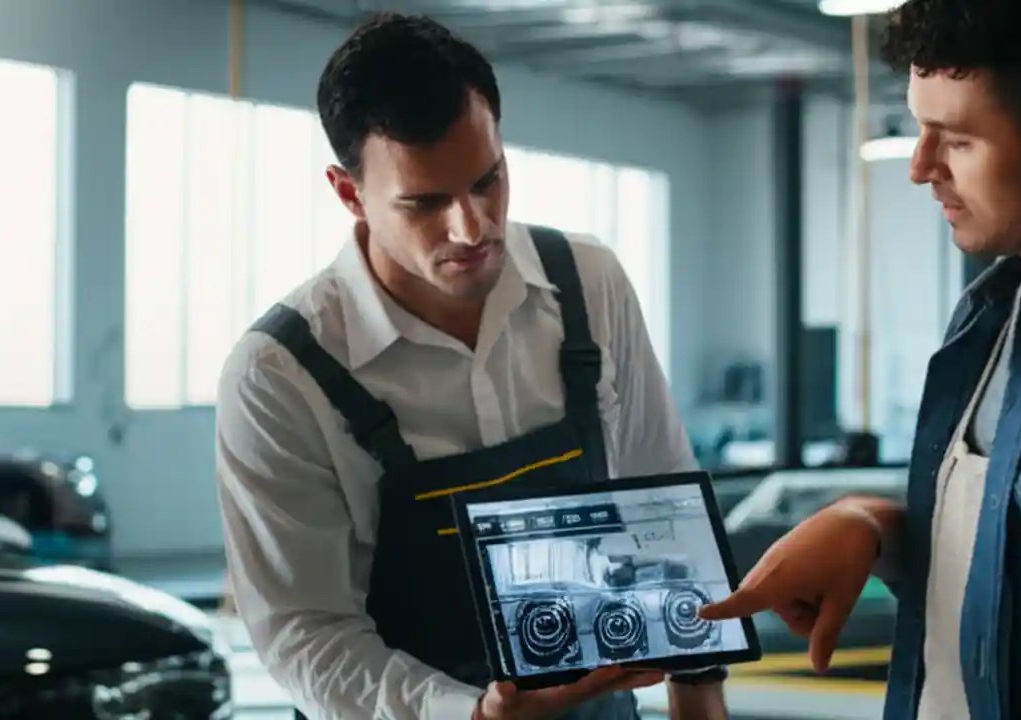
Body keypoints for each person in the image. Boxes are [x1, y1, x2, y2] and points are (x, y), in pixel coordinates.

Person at [216, 13, 729, 720]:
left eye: (487, 181)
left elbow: (662, 504)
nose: (472, 227)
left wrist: (697, 692)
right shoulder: (278, 376)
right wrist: (469, 715)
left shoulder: (588, 284)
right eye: (425, 203)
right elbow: (307, 635)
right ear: (348, 193)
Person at [700, 1, 1021, 719]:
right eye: (919, 129)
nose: (920, 168)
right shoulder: (988, 317)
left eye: (957, 140)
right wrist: (872, 527)